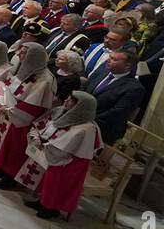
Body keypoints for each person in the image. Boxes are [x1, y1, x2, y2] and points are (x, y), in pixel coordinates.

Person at [14, 92, 103, 220]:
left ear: (80, 106)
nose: (66, 100)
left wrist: (46, 145)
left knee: (58, 183)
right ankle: (43, 202)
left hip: (71, 163)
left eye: (71, 100)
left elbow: (70, 146)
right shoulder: (61, 112)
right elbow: (43, 126)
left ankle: (52, 209)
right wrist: (38, 137)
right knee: (48, 179)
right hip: (56, 154)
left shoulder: (88, 128)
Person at [0, 46, 56, 188]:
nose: (19, 54)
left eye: (24, 52)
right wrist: (0, 99)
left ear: (33, 56)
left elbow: (35, 106)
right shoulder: (23, 67)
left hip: (22, 120)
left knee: (14, 149)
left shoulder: (44, 79)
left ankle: (9, 177)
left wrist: (11, 110)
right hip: (8, 111)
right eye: (20, 51)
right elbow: (8, 86)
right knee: (0, 141)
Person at [88, 50, 146, 145]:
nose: (108, 60)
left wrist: (88, 118)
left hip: (101, 129)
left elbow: (117, 112)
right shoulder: (102, 71)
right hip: (81, 118)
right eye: (110, 57)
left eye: (114, 59)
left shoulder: (134, 88)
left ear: (127, 66)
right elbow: (84, 89)